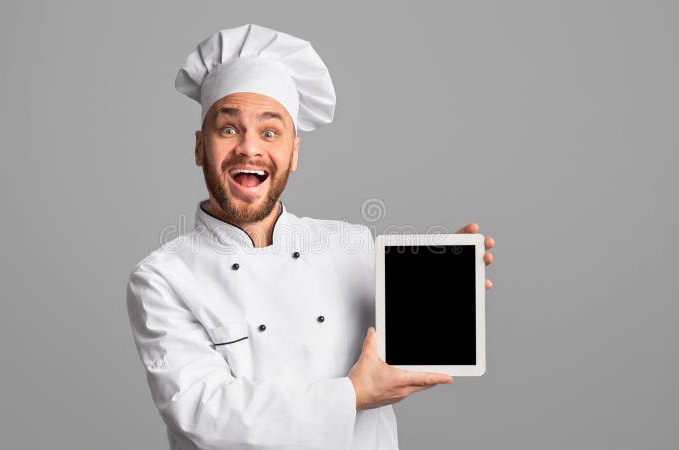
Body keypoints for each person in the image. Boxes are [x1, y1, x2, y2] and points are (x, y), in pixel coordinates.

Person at [126, 24, 496, 450]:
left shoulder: (352, 247)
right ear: (198, 148)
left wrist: (439, 291)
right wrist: (351, 395)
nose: (249, 148)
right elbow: (204, 412)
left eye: (270, 132)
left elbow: (407, 355)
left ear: (294, 153)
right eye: (228, 129)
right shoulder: (162, 278)